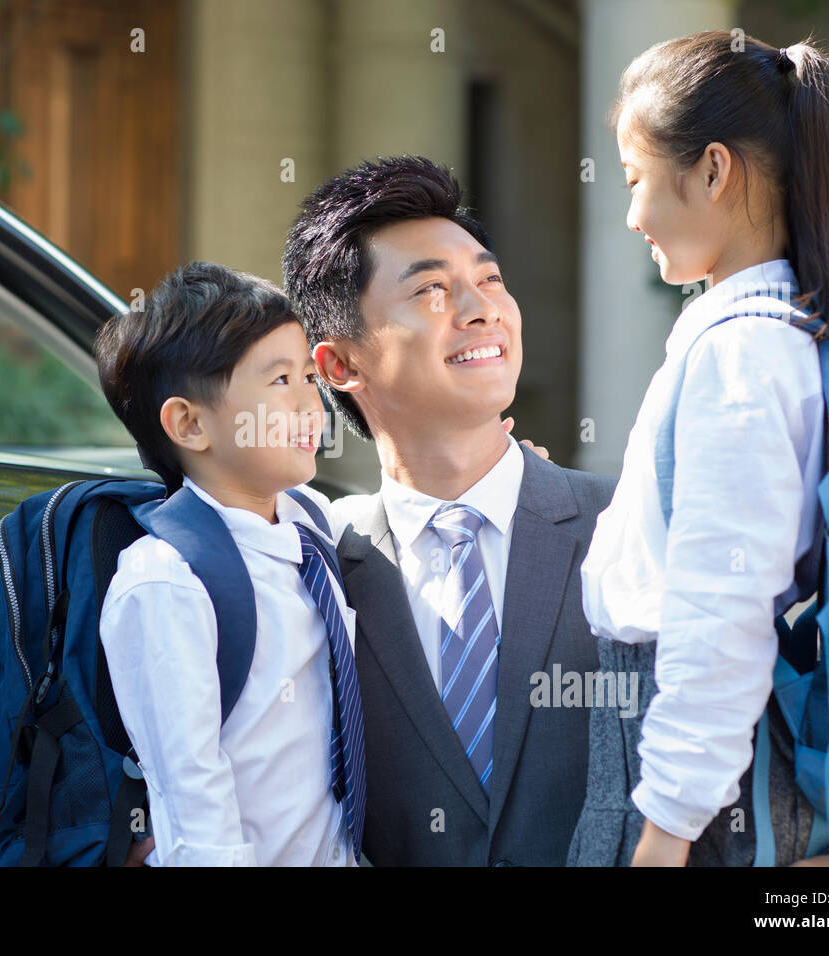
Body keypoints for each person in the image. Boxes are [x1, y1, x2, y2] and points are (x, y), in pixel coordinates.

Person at [570, 32, 829, 867]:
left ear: (714, 171)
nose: (631, 216)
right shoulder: (808, 342)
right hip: (770, 788)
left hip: (713, 810)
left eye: (635, 180)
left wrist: (661, 840)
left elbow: (719, 619)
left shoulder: (738, 357)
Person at [283, 156, 616, 865]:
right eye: (432, 290)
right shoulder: (316, 565)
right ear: (340, 366)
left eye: (489, 280)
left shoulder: (628, 525)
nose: (482, 308)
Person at [94, 262, 364, 866]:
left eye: (307, 378)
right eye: (279, 381)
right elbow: (196, 797)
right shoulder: (167, 581)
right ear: (189, 423)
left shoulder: (309, 522)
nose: (309, 403)